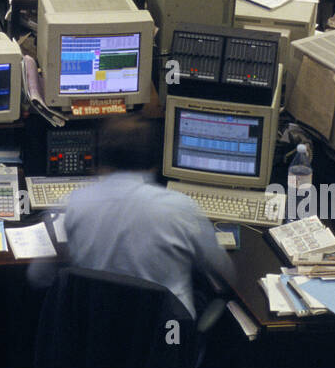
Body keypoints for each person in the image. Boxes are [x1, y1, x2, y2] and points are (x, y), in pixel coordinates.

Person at [29, 115, 240, 318]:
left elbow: (38, 277)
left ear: (101, 161)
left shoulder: (70, 205)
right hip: (165, 341)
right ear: (153, 165)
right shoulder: (182, 209)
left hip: (93, 338)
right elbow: (225, 274)